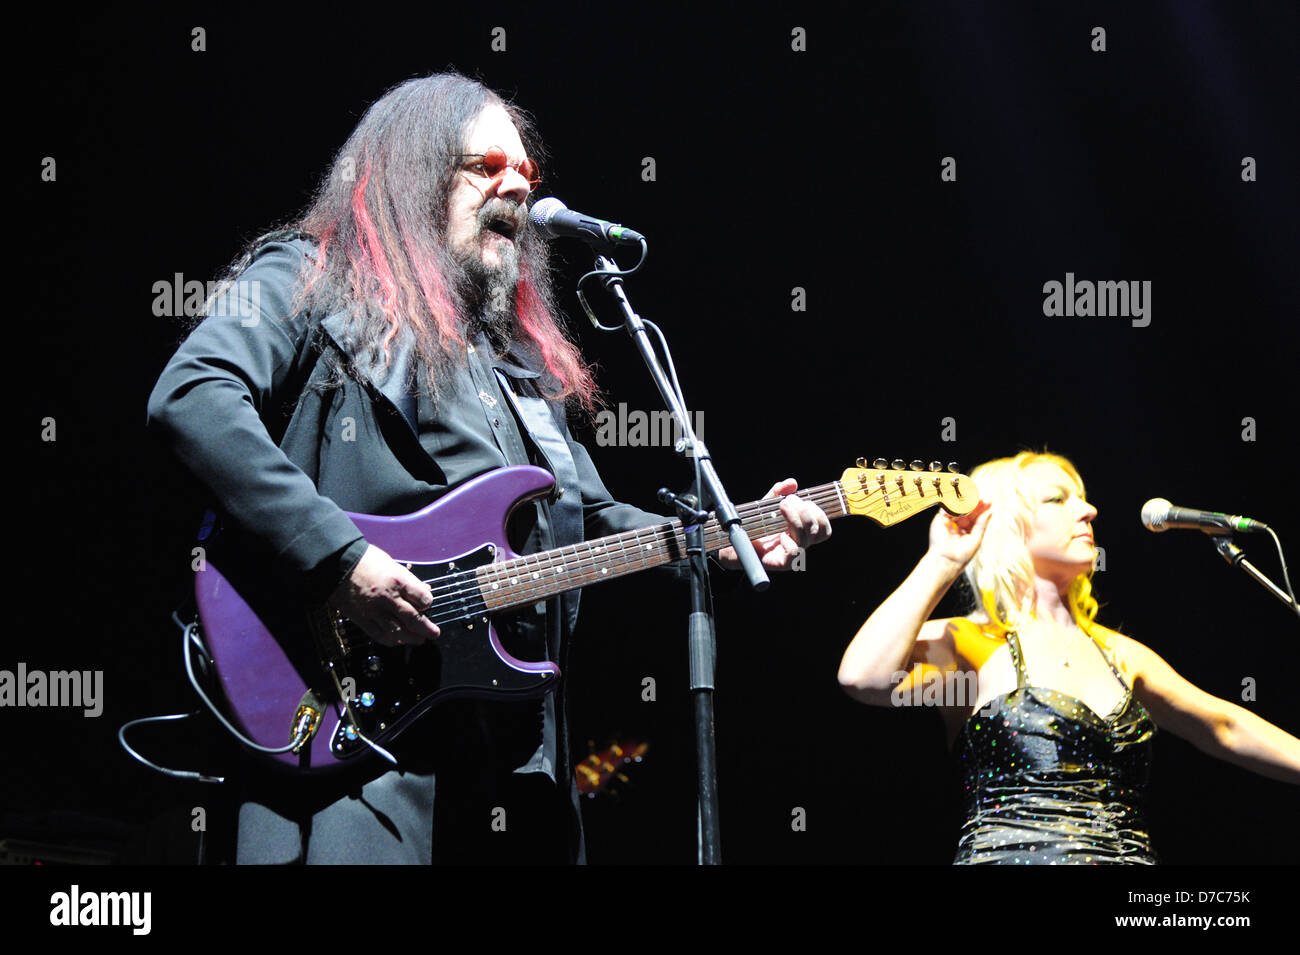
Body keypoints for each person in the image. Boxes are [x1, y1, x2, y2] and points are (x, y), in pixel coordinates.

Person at [146, 71, 830, 864]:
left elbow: (593, 521)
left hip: (508, 764)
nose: (516, 185)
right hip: (353, 739)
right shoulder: (309, 276)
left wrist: (726, 535)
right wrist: (340, 557)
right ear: (410, 172)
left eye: (528, 175)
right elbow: (192, 397)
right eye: (486, 166)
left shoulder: (513, 371)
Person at [837, 451, 1300, 864]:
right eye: (1058, 500)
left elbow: (1224, 727)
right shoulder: (968, 642)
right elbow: (864, 677)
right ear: (1005, 522)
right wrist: (942, 562)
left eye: (1081, 499)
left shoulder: (1119, 653)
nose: (1089, 510)